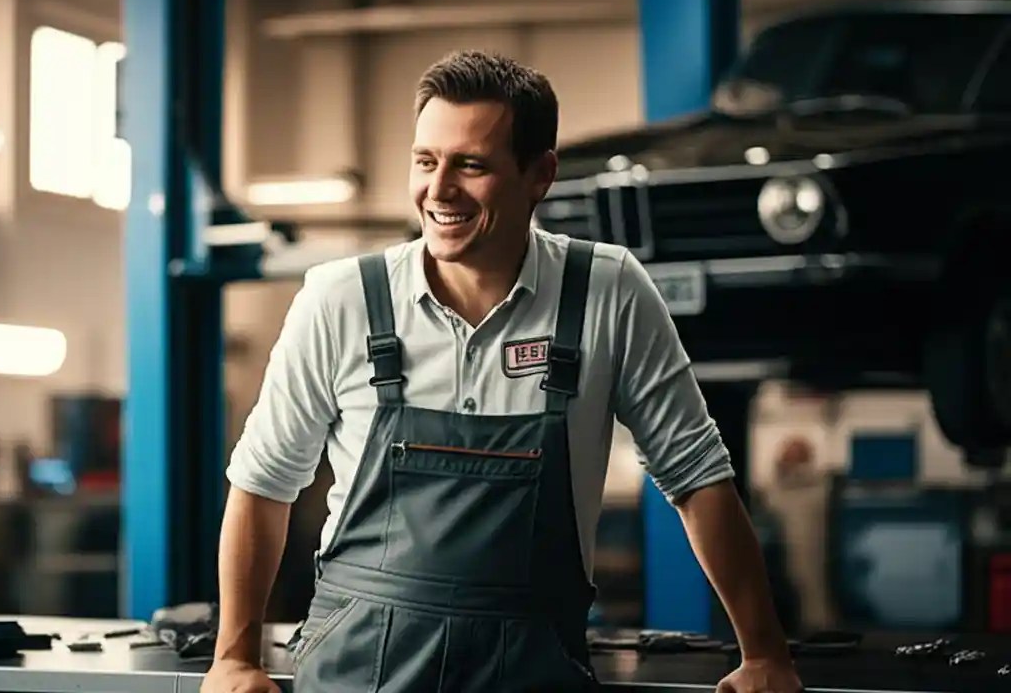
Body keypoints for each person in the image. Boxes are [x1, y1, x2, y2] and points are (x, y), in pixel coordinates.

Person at [202, 50, 803, 693]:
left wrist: (764, 652)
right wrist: (235, 658)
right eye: (425, 161)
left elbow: (698, 478)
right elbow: (263, 483)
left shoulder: (607, 292)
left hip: (533, 669)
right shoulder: (340, 299)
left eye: (471, 165)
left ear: (538, 175)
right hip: (359, 667)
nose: (439, 190)